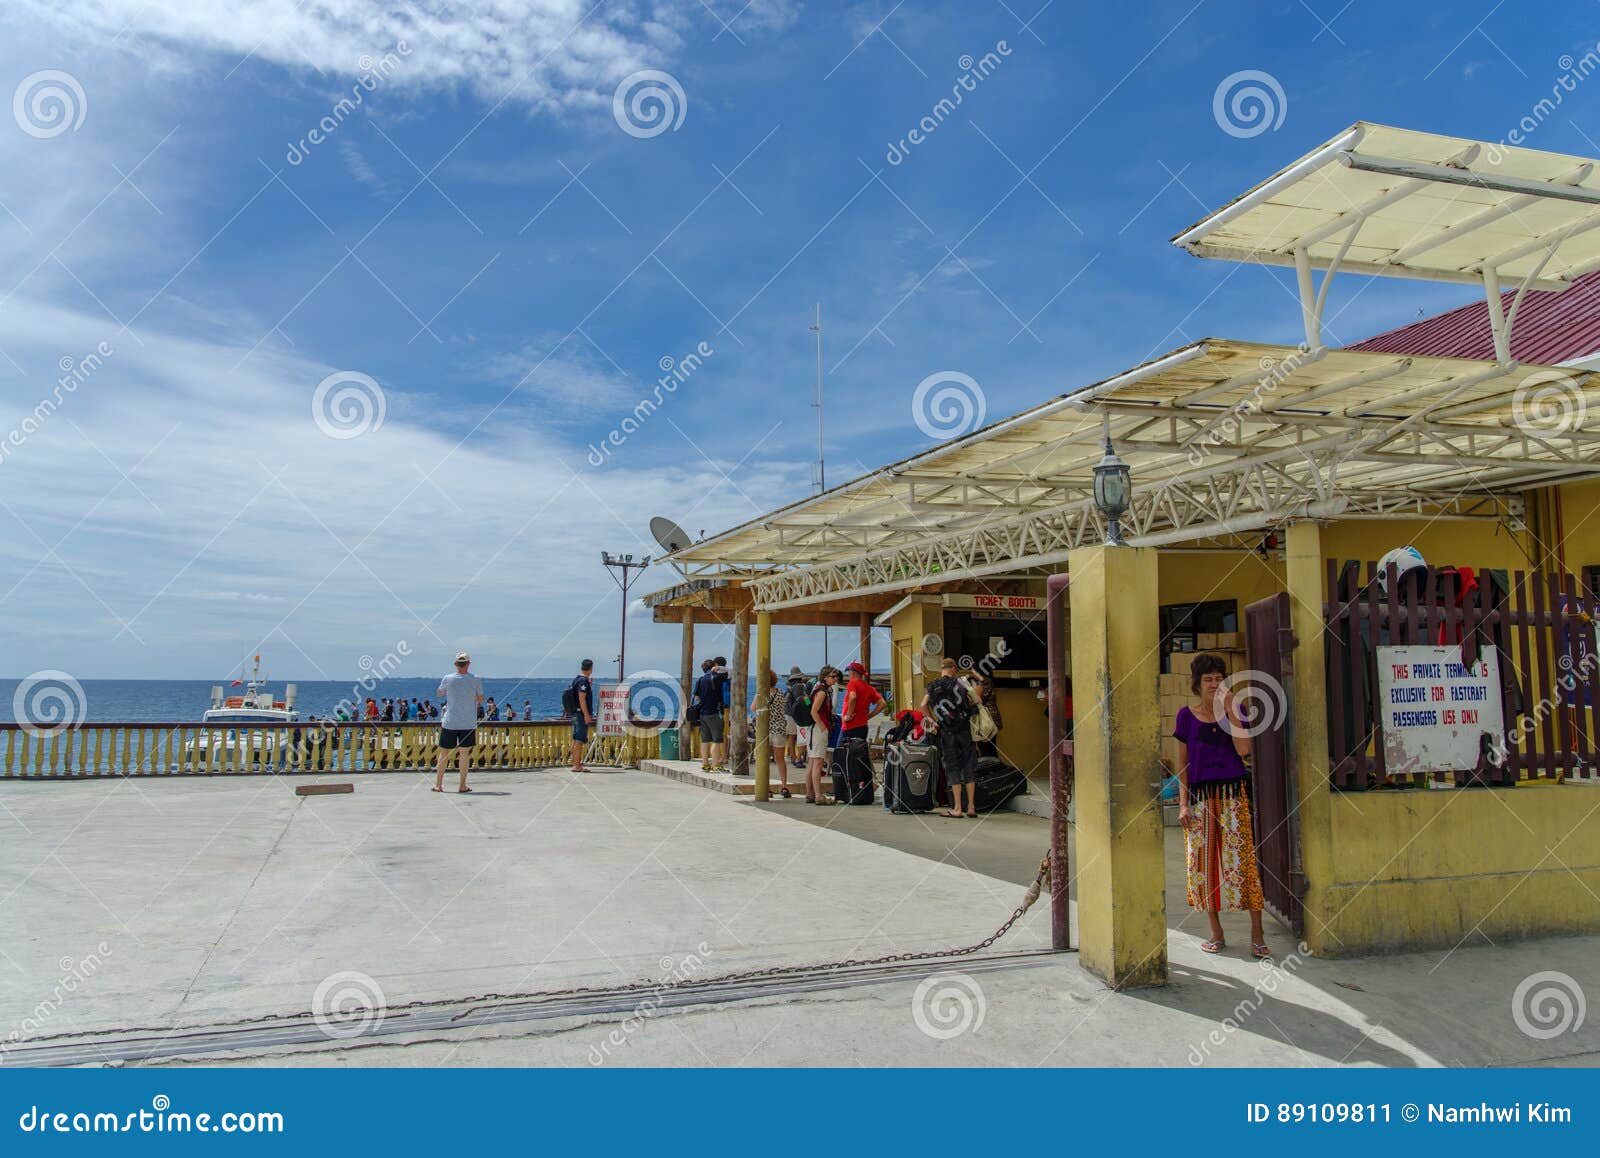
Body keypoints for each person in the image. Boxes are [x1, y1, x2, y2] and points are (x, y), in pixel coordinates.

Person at [1175, 653, 1270, 959]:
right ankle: (1216, 933)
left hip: (1232, 796)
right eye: (1208, 680)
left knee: (1242, 863)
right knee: (1203, 867)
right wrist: (1183, 804)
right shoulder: (1185, 717)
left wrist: (1231, 710)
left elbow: (1244, 750)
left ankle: (1257, 933)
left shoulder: (1235, 710)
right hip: (1201, 800)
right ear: (1197, 684)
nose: (1214, 685)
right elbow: (1182, 764)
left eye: (1219, 679)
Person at [921, 657, 979, 818]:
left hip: (947, 731)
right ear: (953, 668)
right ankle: (972, 807)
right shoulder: (962, 683)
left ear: (942, 669)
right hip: (964, 730)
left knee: (952, 767)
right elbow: (978, 700)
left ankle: (958, 808)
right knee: (969, 765)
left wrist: (932, 720)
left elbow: (923, 705)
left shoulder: (933, 685)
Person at [434, 651, 484, 794]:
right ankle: (462, 785)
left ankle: (439, 785)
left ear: (456, 664)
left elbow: (439, 693)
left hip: (450, 721)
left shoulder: (448, 678)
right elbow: (480, 699)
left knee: (444, 753)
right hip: (467, 723)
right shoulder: (475, 679)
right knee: (464, 754)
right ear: (468, 664)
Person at [750, 669, 792, 799]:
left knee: (764, 759)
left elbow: (753, 708)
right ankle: (784, 786)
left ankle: (766, 787)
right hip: (779, 728)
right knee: (780, 759)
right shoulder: (780, 692)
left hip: (765, 729)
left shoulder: (761, 693)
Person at [805, 666, 840, 805]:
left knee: (812, 763)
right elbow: (814, 711)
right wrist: (822, 726)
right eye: (833, 676)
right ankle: (818, 796)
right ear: (825, 677)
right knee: (818, 763)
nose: (835, 679)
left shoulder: (818, 689)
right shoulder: (822, 693)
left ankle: (810, 794)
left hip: (813, 730)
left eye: (836, 676)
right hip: (818, 730)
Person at [839, 661, 884, 742]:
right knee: (859, 752)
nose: (848, 674)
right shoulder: (869, 688)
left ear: (853, 672)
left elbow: (853, 697)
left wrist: (848, 715)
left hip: (850, 726)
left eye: (849, 671)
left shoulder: (852, 683)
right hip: (863, 726)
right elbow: (882, 703)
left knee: (841, 752)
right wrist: (869, 716)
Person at [569, 659, 596, 772]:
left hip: (576, 713)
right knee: (579, 739)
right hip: (580, 714)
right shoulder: (583, 681)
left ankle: (576, 763)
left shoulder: (577, 680)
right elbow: (582, 699)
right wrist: (586, 715)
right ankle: (576, 765)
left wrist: (589, 684)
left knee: (576, 739)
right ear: (590, 669)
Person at [783, 667, 809, 768]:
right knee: (800, 737)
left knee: (791, 736)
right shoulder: (801, 687)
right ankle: (797, 758)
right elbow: (806, 702)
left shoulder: (791, 688)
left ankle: (793, 757)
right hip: (797, 715)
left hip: (789, 714)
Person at [973, 673, 1003, 758]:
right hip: (991, 720)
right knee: (990, 749)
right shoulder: (987, 681)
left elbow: (976, 700)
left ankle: (990, 769)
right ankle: (994, 768)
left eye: (973, 669)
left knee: (985, 749)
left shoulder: (983, 682)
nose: (972, 672)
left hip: (985, 722)